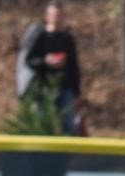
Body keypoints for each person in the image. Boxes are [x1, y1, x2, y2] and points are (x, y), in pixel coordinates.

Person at [19, 1, 84, 135]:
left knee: (69, 123)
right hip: (42, 88)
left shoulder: (67, 39)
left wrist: (76, 92)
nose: (57, 18)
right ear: (47, 17)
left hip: (64, 87)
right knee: (41, 123)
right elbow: (29, 61)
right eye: (54, 15)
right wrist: (45, 61)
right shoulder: (40, 37)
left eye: (59, 15)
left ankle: (67, 147)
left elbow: (74, 66)